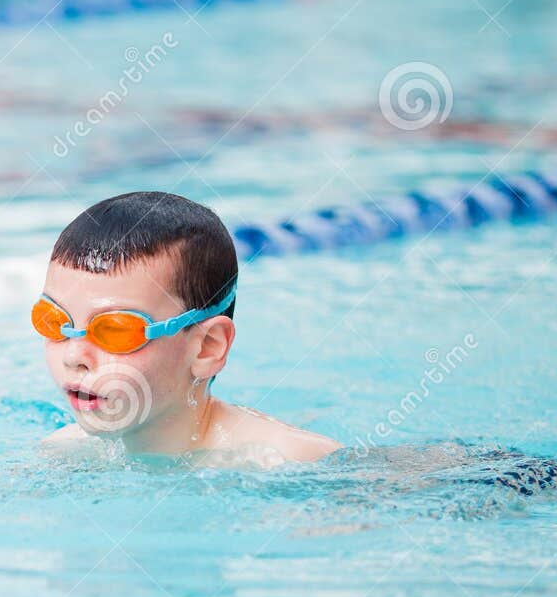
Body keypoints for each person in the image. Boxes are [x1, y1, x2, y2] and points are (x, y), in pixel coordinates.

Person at [34, 191, 338, 464]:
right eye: (54, 322)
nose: (73, 356)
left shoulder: (294, 460)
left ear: (207, 347)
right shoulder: (63, 451)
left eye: (115, 330)